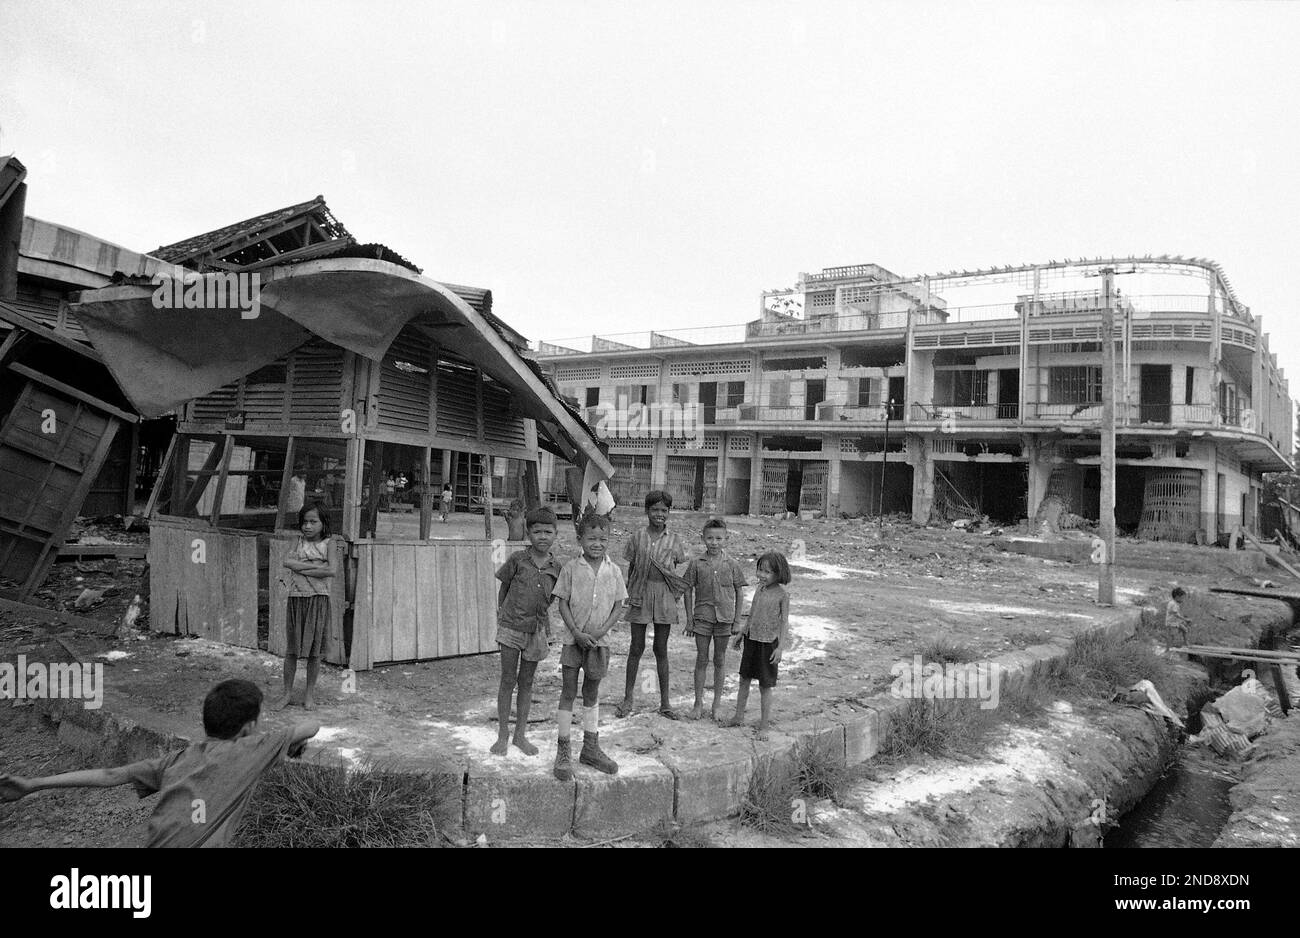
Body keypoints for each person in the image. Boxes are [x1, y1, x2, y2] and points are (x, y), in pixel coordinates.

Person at [0, 679, 319, 847]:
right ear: (249, 728)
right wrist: (290, 741)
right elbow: (312, 726)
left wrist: (33, 785)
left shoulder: (177, 759)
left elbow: (109, 775)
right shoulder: (253, 748)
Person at [551, 514, 627, 780]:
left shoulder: (614, 570)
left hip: (599, 643)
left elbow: (619, 605)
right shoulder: (571, 568)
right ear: (580, 539)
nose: (597, 544)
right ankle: (563, 751)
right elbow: (561, 602)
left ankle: (591, 748)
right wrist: (576, 632)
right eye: (591, 538)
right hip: (574, 641)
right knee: (569, 691)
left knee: (591, 691)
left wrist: (601, 631)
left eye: (603, 539)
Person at [491, 507, 563, 756]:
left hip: (536, 631)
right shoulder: (517, 560)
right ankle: (503, 734)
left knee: (527, 682)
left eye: (548, 532)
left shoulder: (557, 567)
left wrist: (542, 625)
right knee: (507, 679)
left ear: (555, 534)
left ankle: (520, 735)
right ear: (528, 534)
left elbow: (553, 598)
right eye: (537, 531)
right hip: (511, 628)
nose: (542, 536)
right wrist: (502, 616)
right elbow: (504, 590)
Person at [617, 490, 688, 720]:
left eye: (664, 510)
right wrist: (630, 593)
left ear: (669, 513)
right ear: (647, 511)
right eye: (655, 509)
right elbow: (631, 567)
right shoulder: (637, 537)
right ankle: (628, 699)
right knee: (636, 647)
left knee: (661, 648)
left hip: (664, 596)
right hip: (640, 592)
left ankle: (665, 703)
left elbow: (675, 568)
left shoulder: (674, 540)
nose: (660, 514)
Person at [683, 519, 747, 722]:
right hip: (702, 617)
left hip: (725, 619)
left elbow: (739, 592)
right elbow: (687, 590)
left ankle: (717, 704)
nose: (714, 542)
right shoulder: (696, 563)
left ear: (726, 539)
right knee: (702, 659)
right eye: (710, 538)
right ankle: (697, 703)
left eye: (719, 538)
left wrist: (737, 621)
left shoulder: (733, 564)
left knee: (720, 660)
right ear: (703, 539)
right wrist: (689, 620)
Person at [274, 502, 336, 711]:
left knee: (314, 653)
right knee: (291, 651)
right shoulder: (296, 541)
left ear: (323, 523)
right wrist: (317, 566)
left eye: (313, 522)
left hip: (318, 600)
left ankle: (309, 695)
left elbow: (332, 570)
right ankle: (286, 694)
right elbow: (287, 563)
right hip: (296, 600)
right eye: (304, 522)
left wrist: (302, 567)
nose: (307, 526)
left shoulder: (330, 543)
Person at [725, 551, 791, 741]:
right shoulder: (759, 590)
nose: (762, 575)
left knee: (765, 686)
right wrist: (742, 633)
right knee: (744, 679)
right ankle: (738, 716)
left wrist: (780, 648)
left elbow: (784, 622)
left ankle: (764, 725)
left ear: (779, 574)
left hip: (768, 644)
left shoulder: (782, 595)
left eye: (767, 572)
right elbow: (752, 615)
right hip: (751, 640)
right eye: (760, 570)